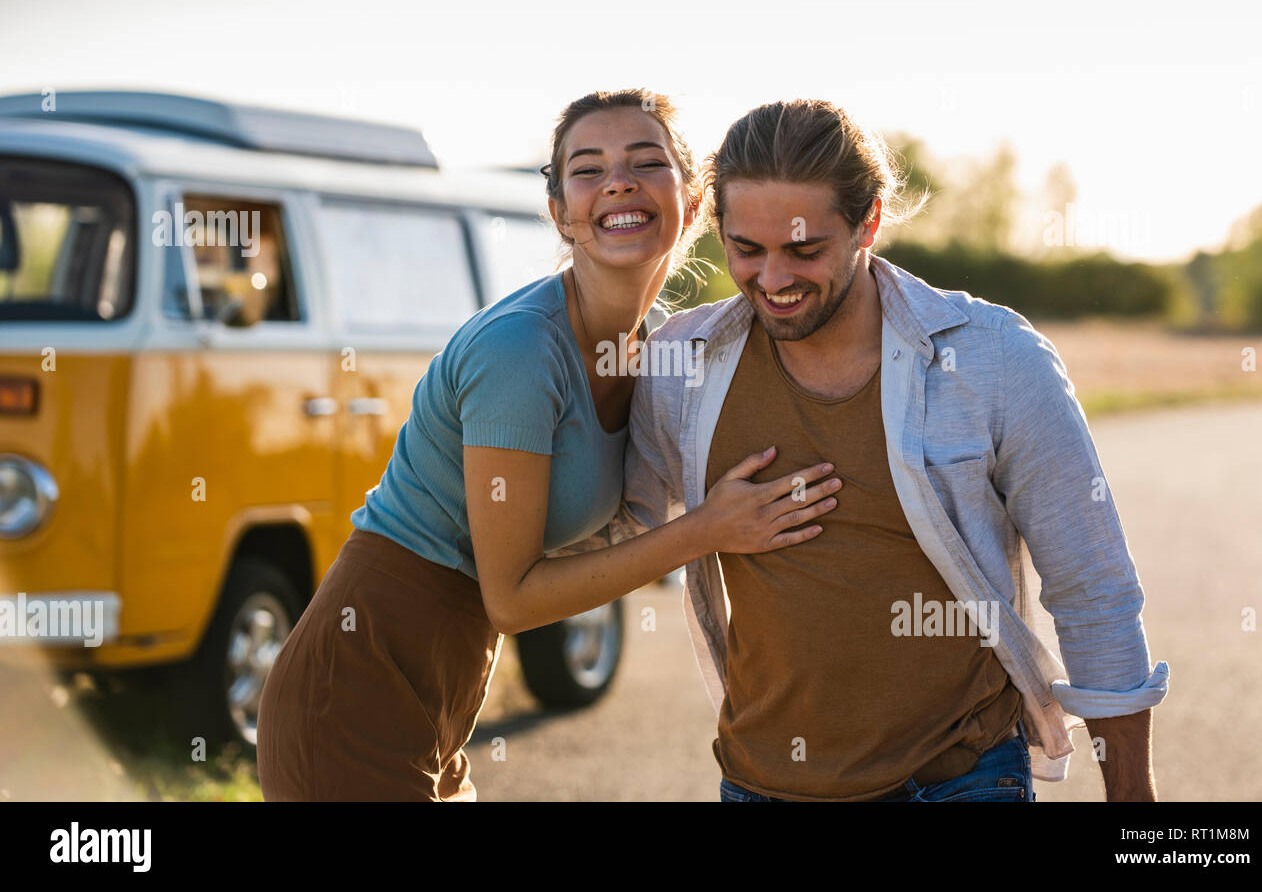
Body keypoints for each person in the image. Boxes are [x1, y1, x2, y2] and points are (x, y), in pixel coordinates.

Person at [255, 89, 842, 801]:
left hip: (440, 700)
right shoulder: (520, 351)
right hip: (350, 694)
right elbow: (512, 599)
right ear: (563, 215)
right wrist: (707, 530)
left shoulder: (652, 345)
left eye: (645, 161)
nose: (618, 181)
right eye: (588, 169)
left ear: (694, 208)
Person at [617, 99, 1171, 802]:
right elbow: (611, 534)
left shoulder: (995, 360)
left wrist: (1135, 805)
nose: (773, 280)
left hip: (960, 782)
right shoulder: (681, 367)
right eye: (745, 250)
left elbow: (1092, 586)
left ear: (868, 222)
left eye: (805, 250)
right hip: (760, 784)